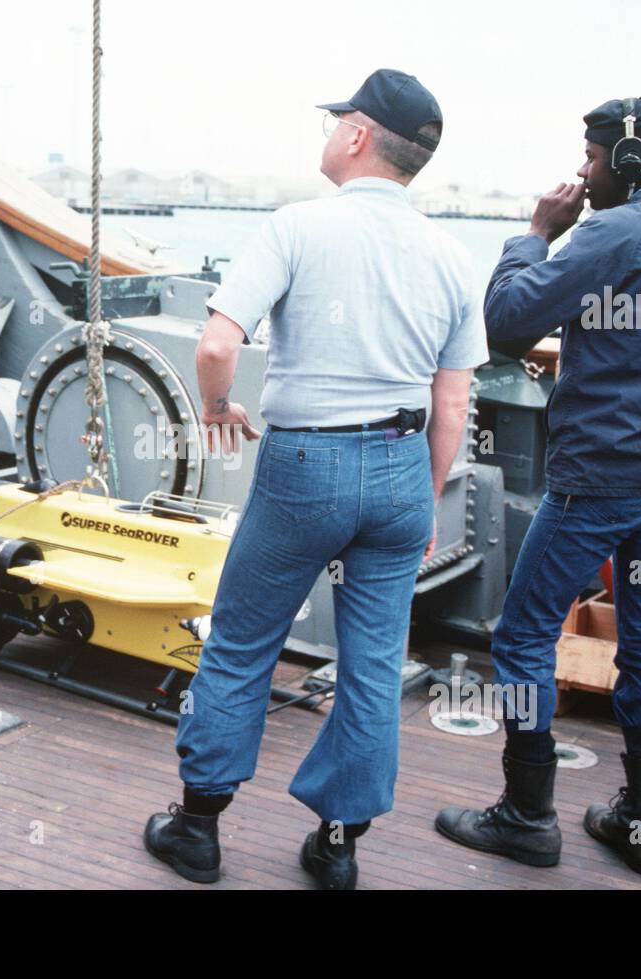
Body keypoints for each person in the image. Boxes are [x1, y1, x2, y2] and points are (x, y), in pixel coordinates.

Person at [142, 69, 488, 890]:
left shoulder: (297, 226)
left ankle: (197, 830)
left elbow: (218, 344)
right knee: (373, 662)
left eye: (338, 120)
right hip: (403, 472)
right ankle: (338, 846)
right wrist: (424, 495)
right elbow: (453, 401)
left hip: (307, 468)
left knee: (242, 641)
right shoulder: (449, 254)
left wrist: (220, 406)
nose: (328, 132)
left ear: (359, 136)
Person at [434, 98, 641, 877]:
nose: (582, 170)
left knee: (519, 634)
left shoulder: (613, 232)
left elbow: (507, 322)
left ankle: (526, 816)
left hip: (597, 480)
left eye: (592, 156)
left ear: (630, 160)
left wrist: (536, 233)